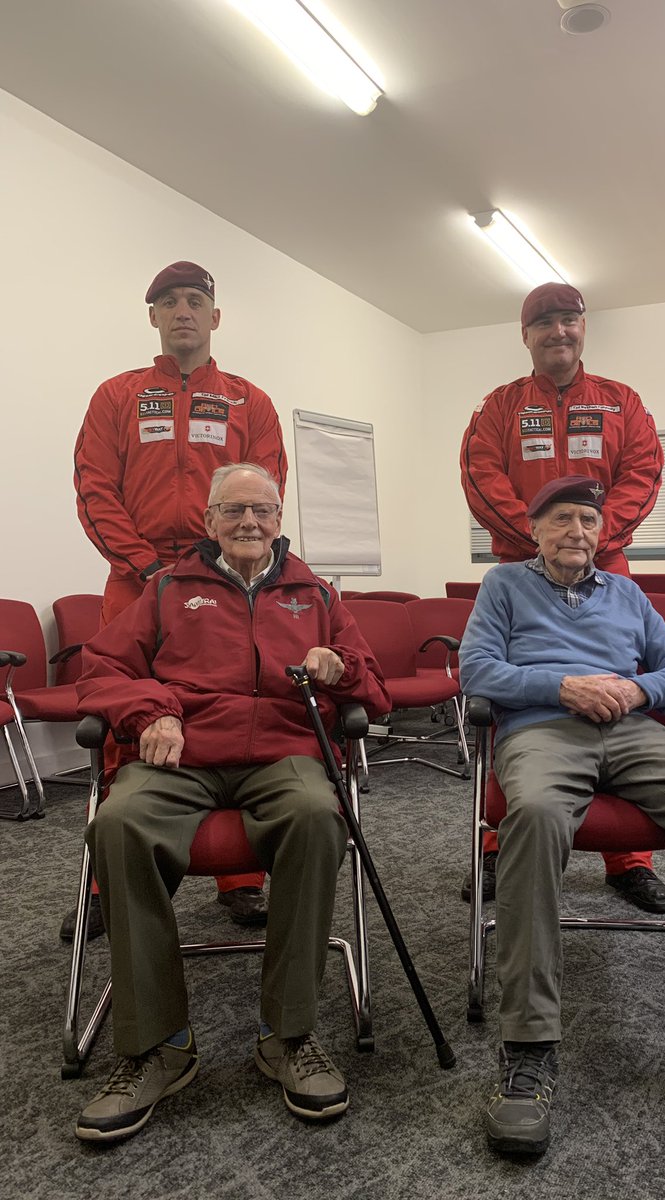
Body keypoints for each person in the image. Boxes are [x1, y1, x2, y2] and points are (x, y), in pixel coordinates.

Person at [458, 475, 665, 1155]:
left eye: (588, 520)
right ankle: (529, 1045)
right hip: (543, 729)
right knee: (532, 816)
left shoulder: (627, 593)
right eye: (561, 520)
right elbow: (476, 670)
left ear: (603, 533)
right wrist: (562, 685)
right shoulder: (504, 585)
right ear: (535, 530)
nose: (576, 533)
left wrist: (635, 688)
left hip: (632, 731)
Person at [73, 464, 390, 1143]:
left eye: (263, 509)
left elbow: (376, 689)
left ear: (281, 517)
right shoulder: (166, 589)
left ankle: (288, 1034)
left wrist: (342, 668)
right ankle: (159, 1046)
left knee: (315, 817)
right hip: (181, 751)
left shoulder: (316, 593)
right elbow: (102, 669)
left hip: (283, 753)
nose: (250, 521)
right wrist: (152, 711)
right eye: (234, 509)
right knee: (121, 822)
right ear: (208, 521)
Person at [68, 261, 288, 938]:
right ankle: (111, 879)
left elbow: (264, 492)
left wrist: (212, 560)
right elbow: (93, 486)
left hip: (223, 581)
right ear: (154, 318)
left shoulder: (250, 402)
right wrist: (142, 562)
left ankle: (241, 879)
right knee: (121, 730)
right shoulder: (118, 396)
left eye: (196, 300)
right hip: (134, 584)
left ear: (215, 317)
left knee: (230, 704)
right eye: (169, 302)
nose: (183, 310)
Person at [459, 282, 665, 914]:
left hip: (605, 565)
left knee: (615, 691)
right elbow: (479, 471)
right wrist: (537, 532)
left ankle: (628, 861)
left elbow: (643, 471)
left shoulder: (619, 402)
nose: (559, 332)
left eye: (570, 320)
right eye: (545, 322)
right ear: (526, 335)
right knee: (514, 702)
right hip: (517, 567)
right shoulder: (499, 407)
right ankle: (501, 841)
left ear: (584, 328)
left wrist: (591, 535)